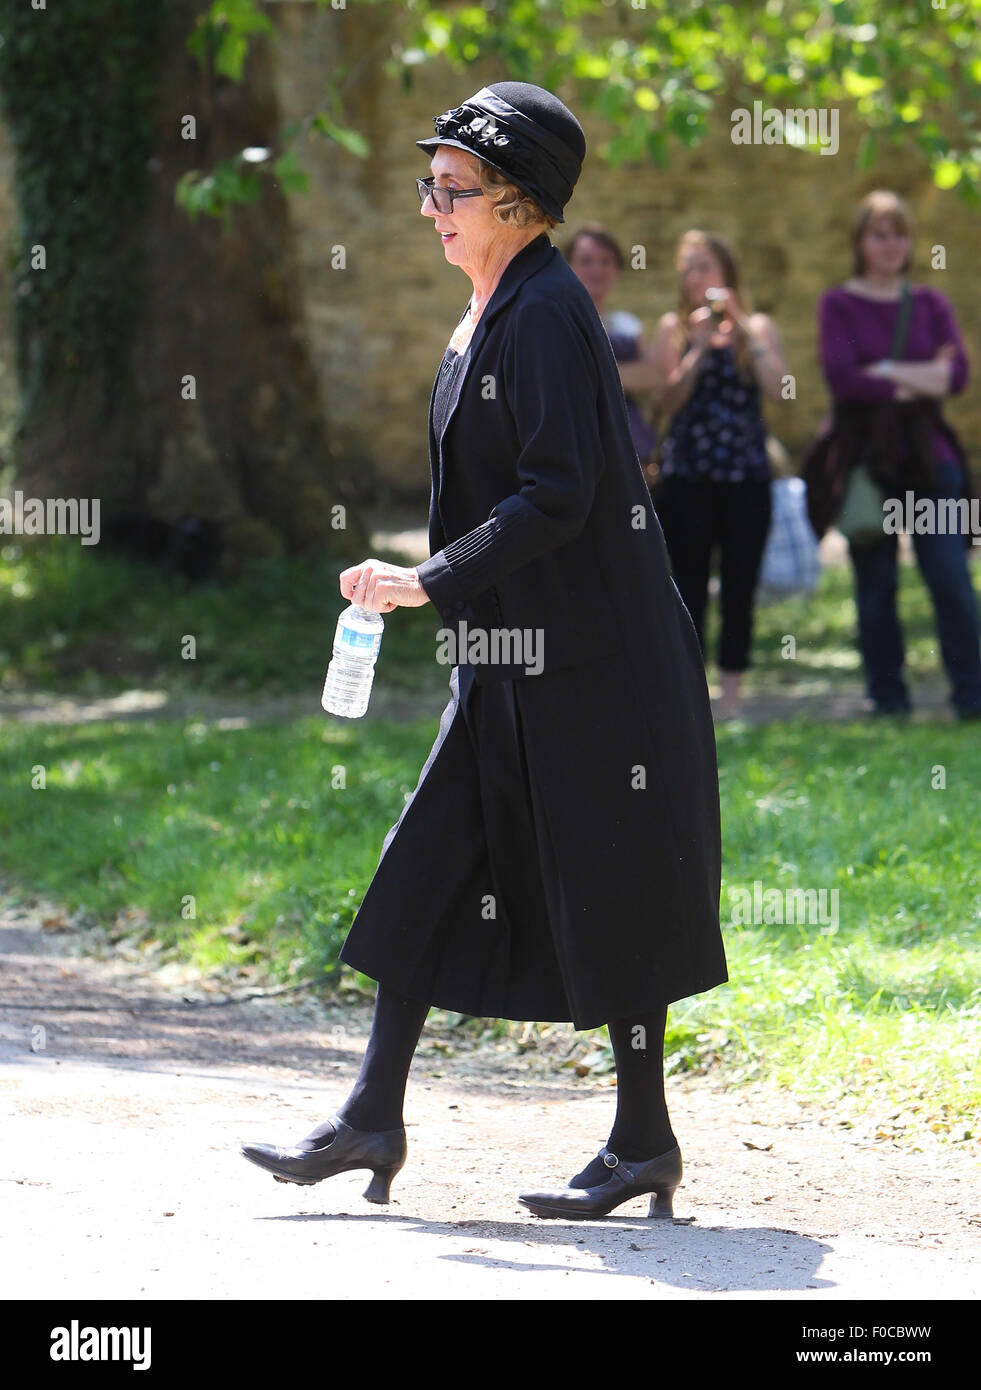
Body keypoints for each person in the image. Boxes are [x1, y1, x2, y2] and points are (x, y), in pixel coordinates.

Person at [239, 82, 728, 1220]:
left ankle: (644, 1137)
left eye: (451, 190)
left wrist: (429, 576)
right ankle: (371, 1115)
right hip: (508, 665)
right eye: (431, 186)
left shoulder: (548, 314)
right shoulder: (494, 310)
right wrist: (432, 580)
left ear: (519, 203)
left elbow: (556, 495)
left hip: (596, 668)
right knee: (428, 860)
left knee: (616, 885)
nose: (431, 209)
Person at [804, 189, 981, 720]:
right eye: (879, 234)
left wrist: (884, 372)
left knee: (949, 574)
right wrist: (918, 376)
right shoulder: (838, 303)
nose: (890, 244)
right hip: (866, 461)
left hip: (931, 457)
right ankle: (888, 699)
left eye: (899, 233)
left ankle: (972, 696)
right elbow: (843, 380)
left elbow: (957, 376)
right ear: (860, 242)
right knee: (876, 583)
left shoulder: (929, 303)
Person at [649, 230, 790, 720]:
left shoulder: (759, 328)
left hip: (746, 475)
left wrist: (745, 330)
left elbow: (780, 390)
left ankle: (732, 697)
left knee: (740, 583)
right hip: (689, 474)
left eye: (704, 267)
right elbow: (665, 402)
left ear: (728, 273)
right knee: (686, 582)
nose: (695, 278)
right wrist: (699, 349)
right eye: (687, 269)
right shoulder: (675, 328)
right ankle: (693, 693)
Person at [564, 224, 659, 475]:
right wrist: (624, 375)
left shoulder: (628, 324)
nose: (597, 269)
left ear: (616, 270)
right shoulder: (556, 319)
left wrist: (591, 373)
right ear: (568, 267)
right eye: (586, 260)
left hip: (628, 444)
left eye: (606, 261)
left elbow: (651, 376)